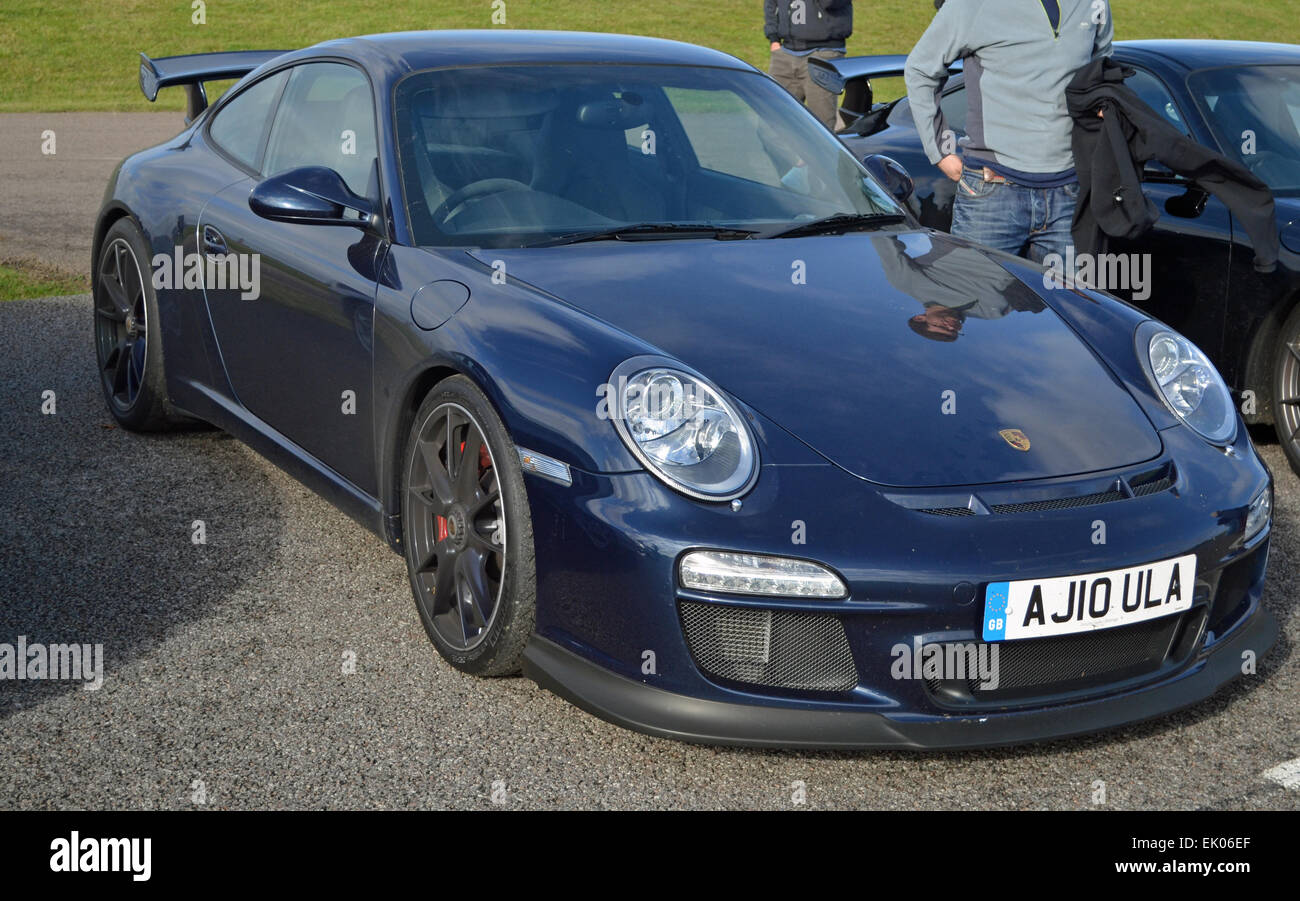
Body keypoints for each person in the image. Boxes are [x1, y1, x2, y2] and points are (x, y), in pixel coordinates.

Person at [904, 0, 1113, 262]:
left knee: (1071, 303)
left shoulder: (1094, 3)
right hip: (992, 191)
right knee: (980, 301)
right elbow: (921, 70)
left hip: (1071, 192)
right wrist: (941, 152)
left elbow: (1101, 68)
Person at [764, 0, 854, 130]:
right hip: (785, 53)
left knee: (821, 124)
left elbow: (831, 3)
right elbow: (771, 3)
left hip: (823, 53)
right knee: (771, 119)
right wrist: (773, 38)